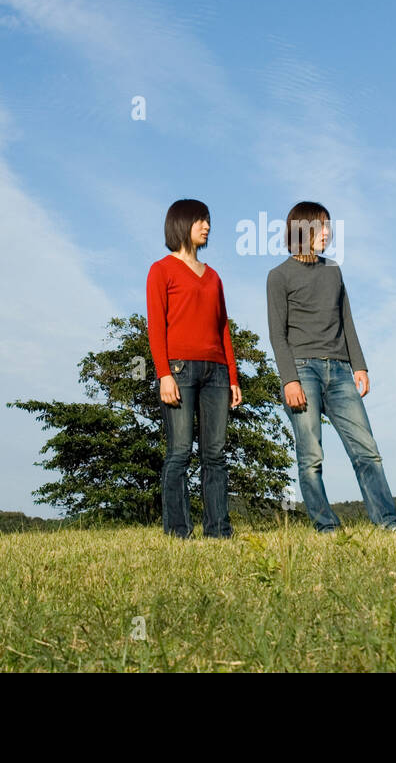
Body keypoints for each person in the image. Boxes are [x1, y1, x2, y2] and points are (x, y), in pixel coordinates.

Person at [266, 201, 396, 534]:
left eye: (329, 227)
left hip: (341, 371)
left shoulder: (333, 271)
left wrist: (360, 366)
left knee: (366, 450)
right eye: (321, 226)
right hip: (302, 370)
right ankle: (326, 526)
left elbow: (347, 321)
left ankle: (388, 523)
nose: (327, 233)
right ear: (303, 229)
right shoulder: (278, 276)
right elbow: (276, 335)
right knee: (311, 456)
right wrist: (290, 380)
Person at [146, 199, 242, 539]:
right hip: (180, 370)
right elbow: (156, 327)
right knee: (180, 452)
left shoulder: (214, 276)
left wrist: (233, 377)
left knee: (215, 454)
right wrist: (164, 374)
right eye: (201, 220)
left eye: (208, 221)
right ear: (182, 224)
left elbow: (223, 328)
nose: (207, 227)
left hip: (216, 372)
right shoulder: (161, 269)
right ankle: (178, 532)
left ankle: (219, 531)